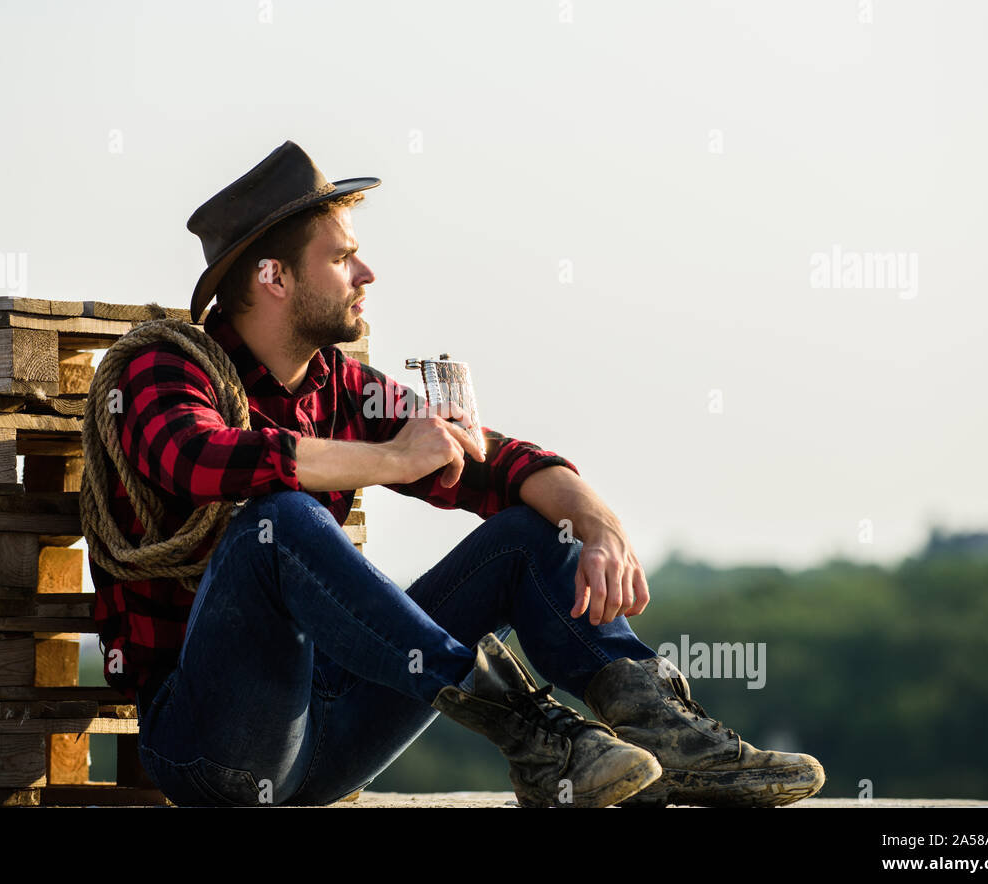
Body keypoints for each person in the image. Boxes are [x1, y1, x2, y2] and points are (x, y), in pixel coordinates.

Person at [90, 140, 825, 808]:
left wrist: (600, 528)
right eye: (343, 256)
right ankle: (525, 725)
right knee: (277, 520)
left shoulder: (344, 390)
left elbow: (497, 466)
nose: (367, 272)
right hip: (211, 750)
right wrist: (388, 461)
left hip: (329, 739)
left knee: (526, 536)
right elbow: (199, 459)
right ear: (274, 276)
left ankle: (665, 733)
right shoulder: (168, 368)